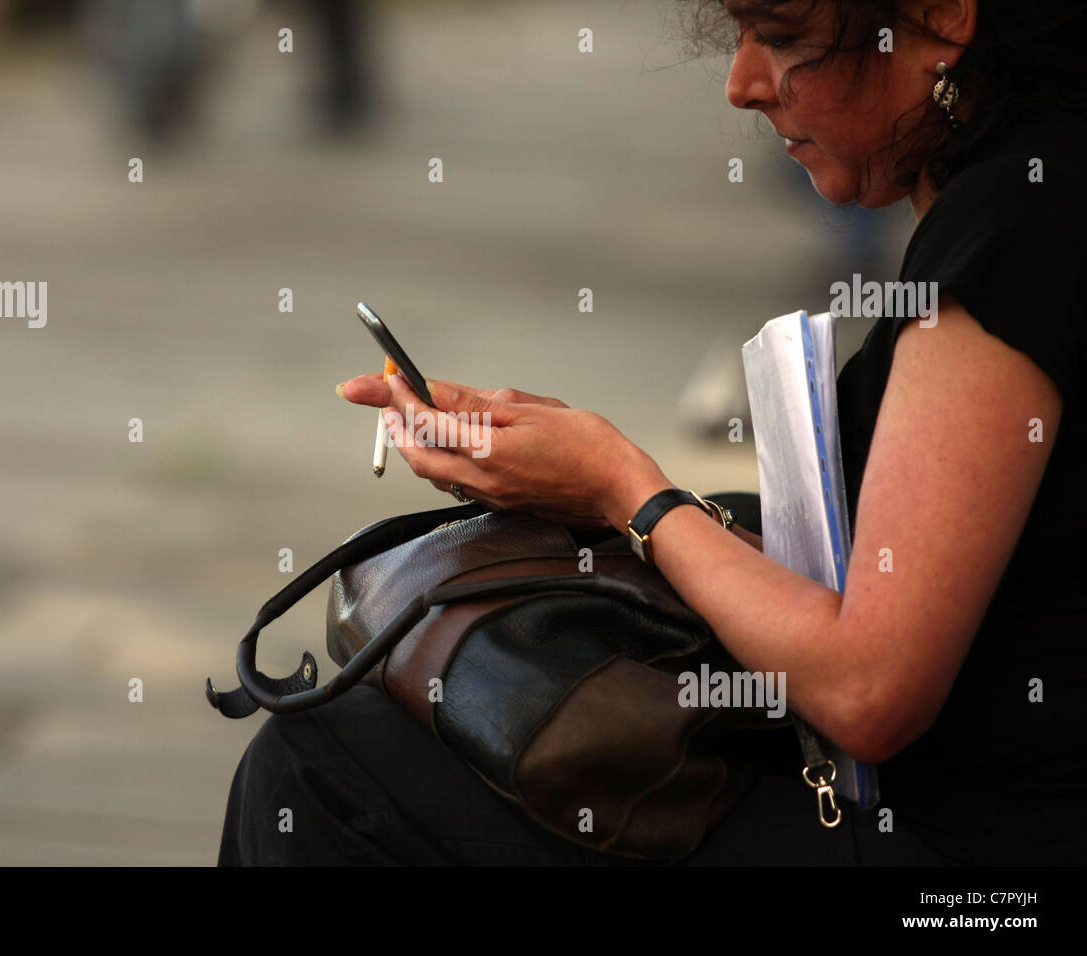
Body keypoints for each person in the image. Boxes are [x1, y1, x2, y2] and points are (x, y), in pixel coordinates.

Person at [219, 0, 1086, 865]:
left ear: (944, 15)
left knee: (323, 767)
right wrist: (576, 478)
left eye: (782, 40)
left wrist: (626, 488)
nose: (742, 85)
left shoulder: (1016, 230)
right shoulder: (1032, 183)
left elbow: (867, 688)